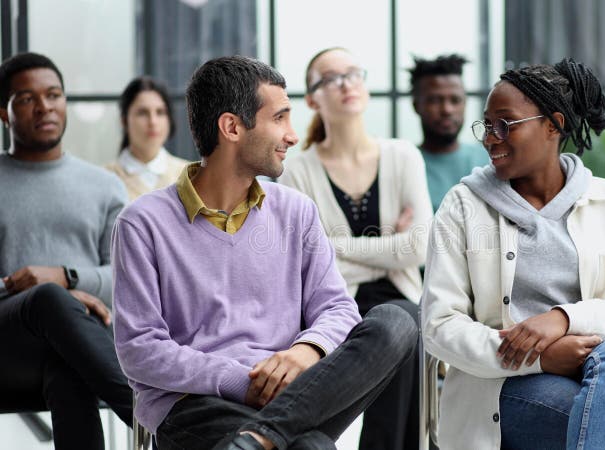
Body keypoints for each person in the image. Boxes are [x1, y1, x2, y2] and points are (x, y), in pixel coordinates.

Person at [111, 55, 417, 450]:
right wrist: (244, 382)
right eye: (280, 118)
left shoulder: (296, 211)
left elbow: (339, 309)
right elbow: (140, 349)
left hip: (293, 395)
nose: (292, 136)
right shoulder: (142, 223)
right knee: (312, 448)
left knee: (398, 321)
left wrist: (306, 351)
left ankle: (257, 439)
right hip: (196, 406)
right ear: (232, 127)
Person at [420, 58, 605, 450]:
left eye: (505, 124)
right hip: (505, 386)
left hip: (601, 369)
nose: (490, 138)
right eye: (487, 125)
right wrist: (540, 358)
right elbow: (440, 326)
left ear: (553, 124)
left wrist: (563, 319)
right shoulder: (462, 206)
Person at [278, 47, 431, 450]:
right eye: (331, 78)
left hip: (403, 298)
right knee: (402, 328)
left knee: (406, 323)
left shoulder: (402, 156)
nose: (346, 83)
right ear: (313, 99)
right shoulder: (297, 170)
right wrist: (387, 247)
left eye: (353, 73)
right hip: (332, 309)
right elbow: (303, 263)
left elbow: (418, 247)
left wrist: (334, 248)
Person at [0, 52, 132, 450]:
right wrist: (45, 291)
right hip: (8, 344)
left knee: (69, 363)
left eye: (54, 95)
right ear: (4, 113)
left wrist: (67, 278)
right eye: (27, 99)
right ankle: (167, 424)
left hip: (81, 342)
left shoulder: (104, 186)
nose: (44, 107)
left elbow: (126, 278)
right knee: (48, 299)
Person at [409, 54, 489, 212]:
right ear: (417, 106)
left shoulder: (490, 161)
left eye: (455, 100)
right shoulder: (406, 163)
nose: (447, 110)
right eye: (435, 100)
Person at [106, 76, 190, 201]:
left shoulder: (191, 176)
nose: (153, 122)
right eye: (142, 113)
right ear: (124, 121)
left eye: (160, 112)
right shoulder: (105, 178)